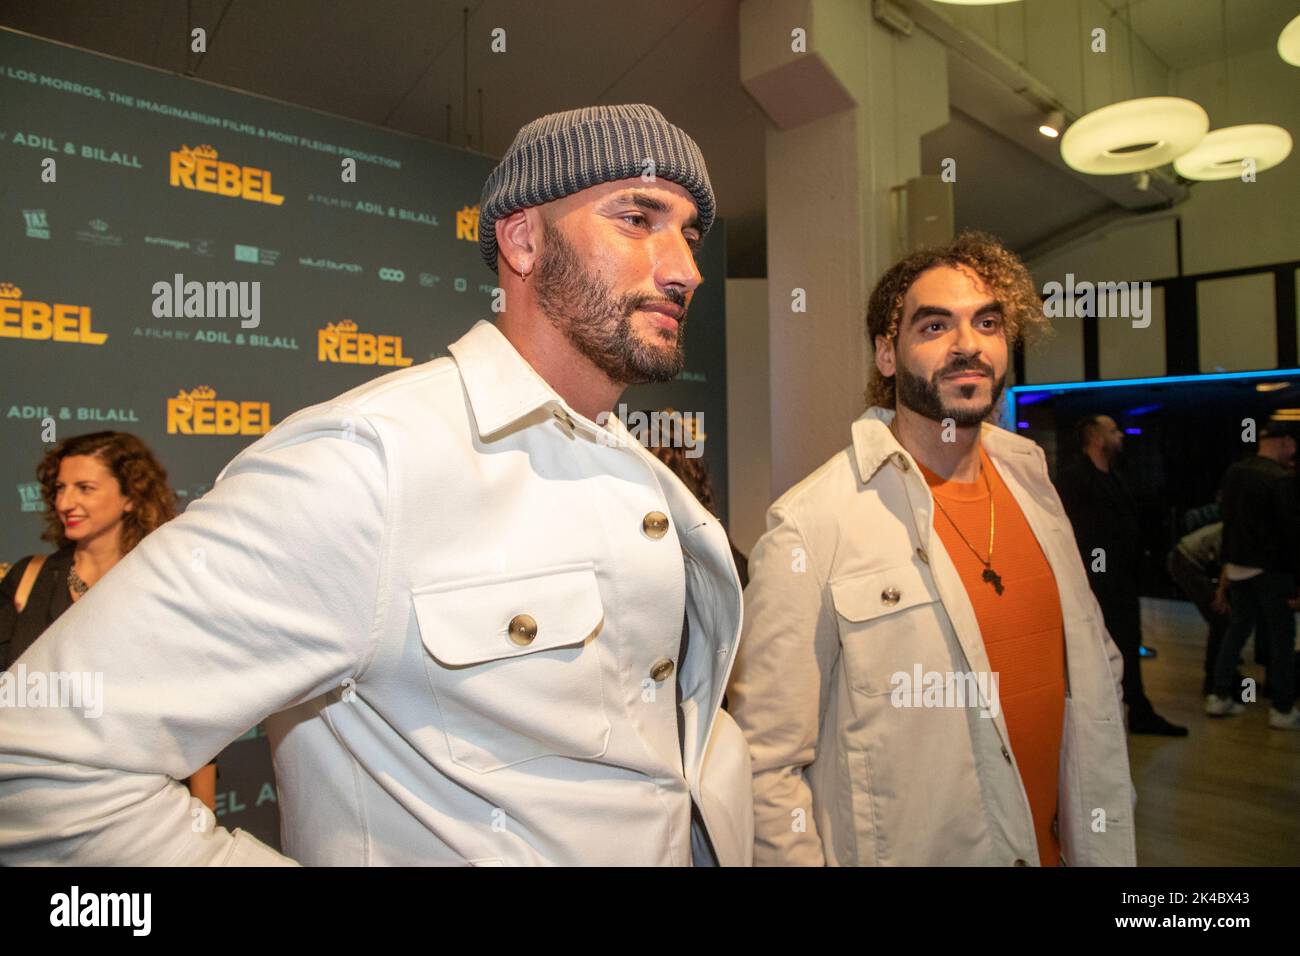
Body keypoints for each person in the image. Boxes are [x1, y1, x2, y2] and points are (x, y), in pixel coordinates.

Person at [0, 104, 752, 865]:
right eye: (637, 217)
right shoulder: (371, 462)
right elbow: (36, 764)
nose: (685, 268)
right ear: (524, 240)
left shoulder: (647, 478)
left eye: (690, 232)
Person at [728, 232, 1136, 866]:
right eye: (935, 325)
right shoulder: (811, 525)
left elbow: (1093, 667)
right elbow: (765, 764)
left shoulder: (1035, 484)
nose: (968, 344)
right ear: (887, 355)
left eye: (988, 322)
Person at [0, 431, 216, 808]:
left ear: (130, 496)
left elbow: (194, 715)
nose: (66, 501)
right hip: (32, 811)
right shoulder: (27, 580)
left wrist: (204, 814)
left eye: (84, 488)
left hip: (141, 811)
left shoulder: (162, 584)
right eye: (60, 488)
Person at [1057, 416, 1187, 736]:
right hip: (1097, 584)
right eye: (1114, 431)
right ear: (1096, 437)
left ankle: (1136, 710)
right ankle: (1102, 717)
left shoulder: (1114, 476)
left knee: (1128, 645)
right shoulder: (1075, 480)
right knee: (1099, 650)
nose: (1121, 436)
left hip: (1122, 581)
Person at [1208, 423, 1300, 729]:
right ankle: (1282, 708)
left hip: (1237, 565)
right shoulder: (1279, 479)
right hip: (1272, 569)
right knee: (1281, 637)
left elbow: (1225, 521)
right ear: (1285, 442)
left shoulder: (1234, 473)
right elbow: (1290, 532)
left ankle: (1219, 695)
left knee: (1238, 629)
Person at [1165, 518, 1236, 699]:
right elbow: (1227, 563)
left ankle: (1219, 674)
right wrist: (1221, 594)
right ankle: (1214, 680)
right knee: (1220, 619)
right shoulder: (1234, 529)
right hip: (1185, 561)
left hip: (1185, 558)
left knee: (1220, 620)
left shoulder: (1233, 526)